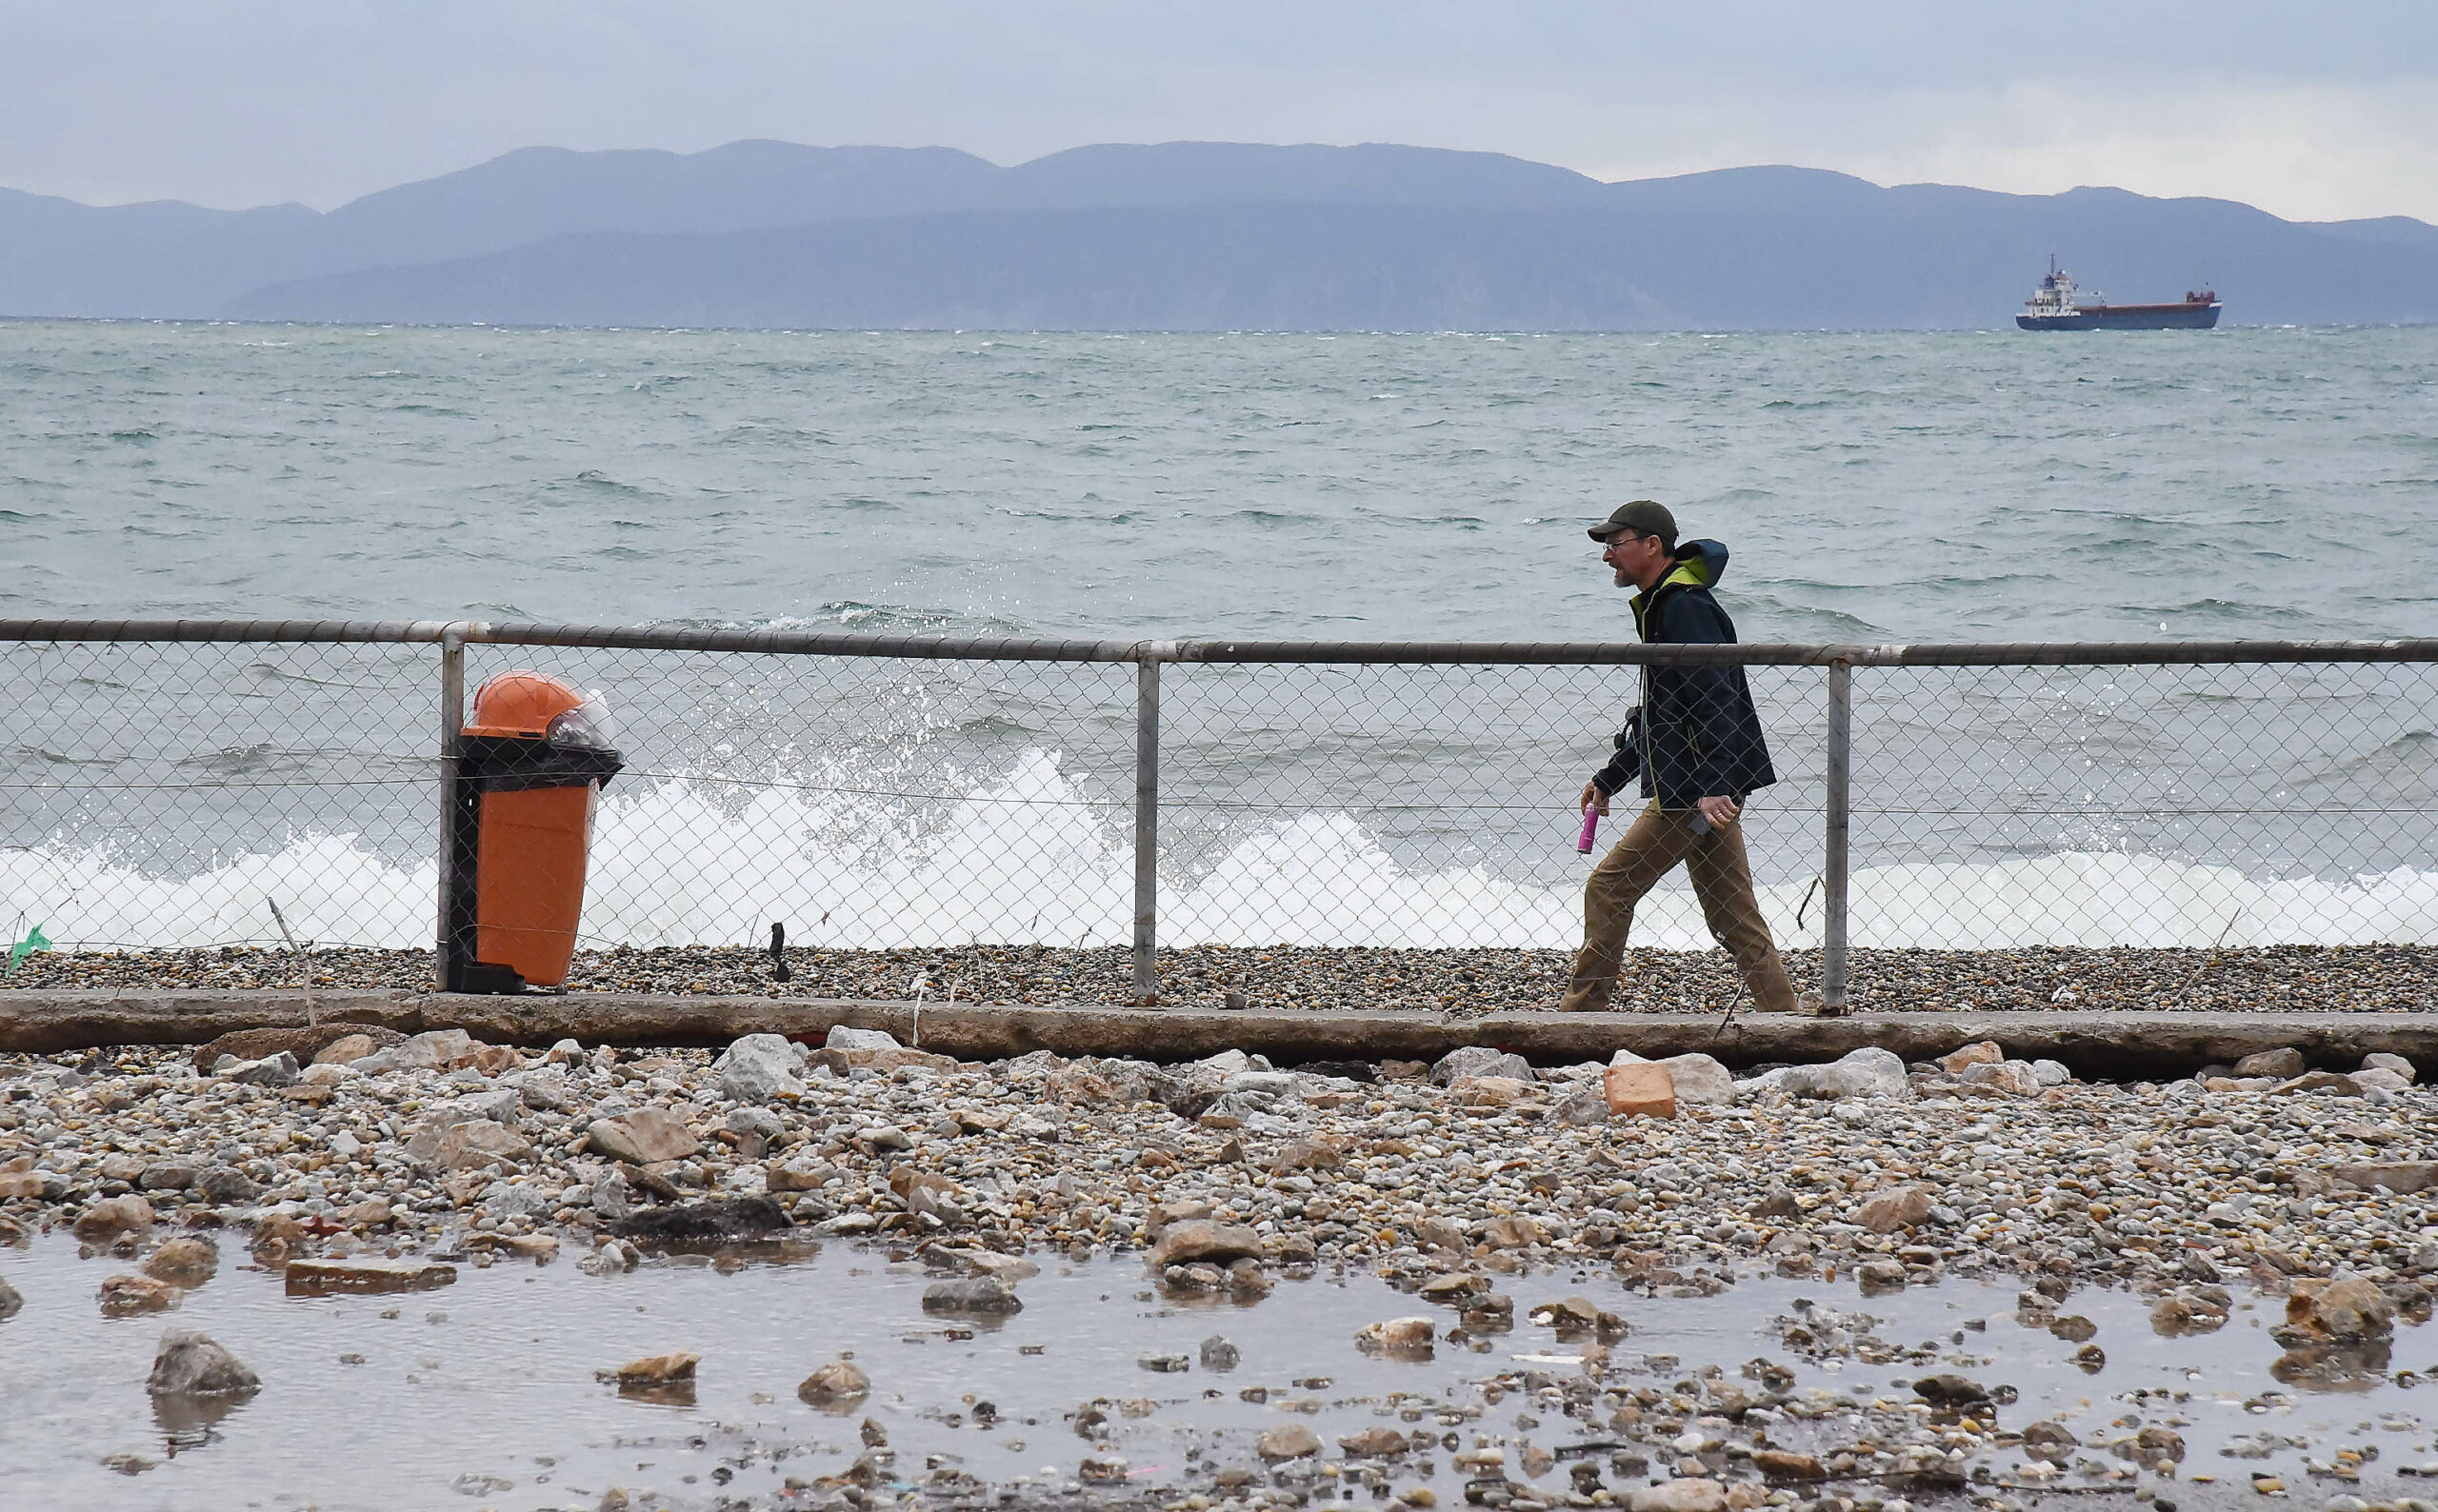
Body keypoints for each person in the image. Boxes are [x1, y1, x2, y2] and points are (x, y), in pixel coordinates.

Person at [1561, 500, 1799, 1015]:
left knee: (1609, 888)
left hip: (1693, 790)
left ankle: (1582, 1015)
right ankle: (1784, 1017)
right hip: (1702, 783)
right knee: (1733, 915)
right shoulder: (1663, 603)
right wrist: (1612, 776)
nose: (1607, 557)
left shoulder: (1681, 605)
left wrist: (1712, 784)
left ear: (1652, 545)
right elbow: (1667, 708)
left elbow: (1716, 696)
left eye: (1615, 544)